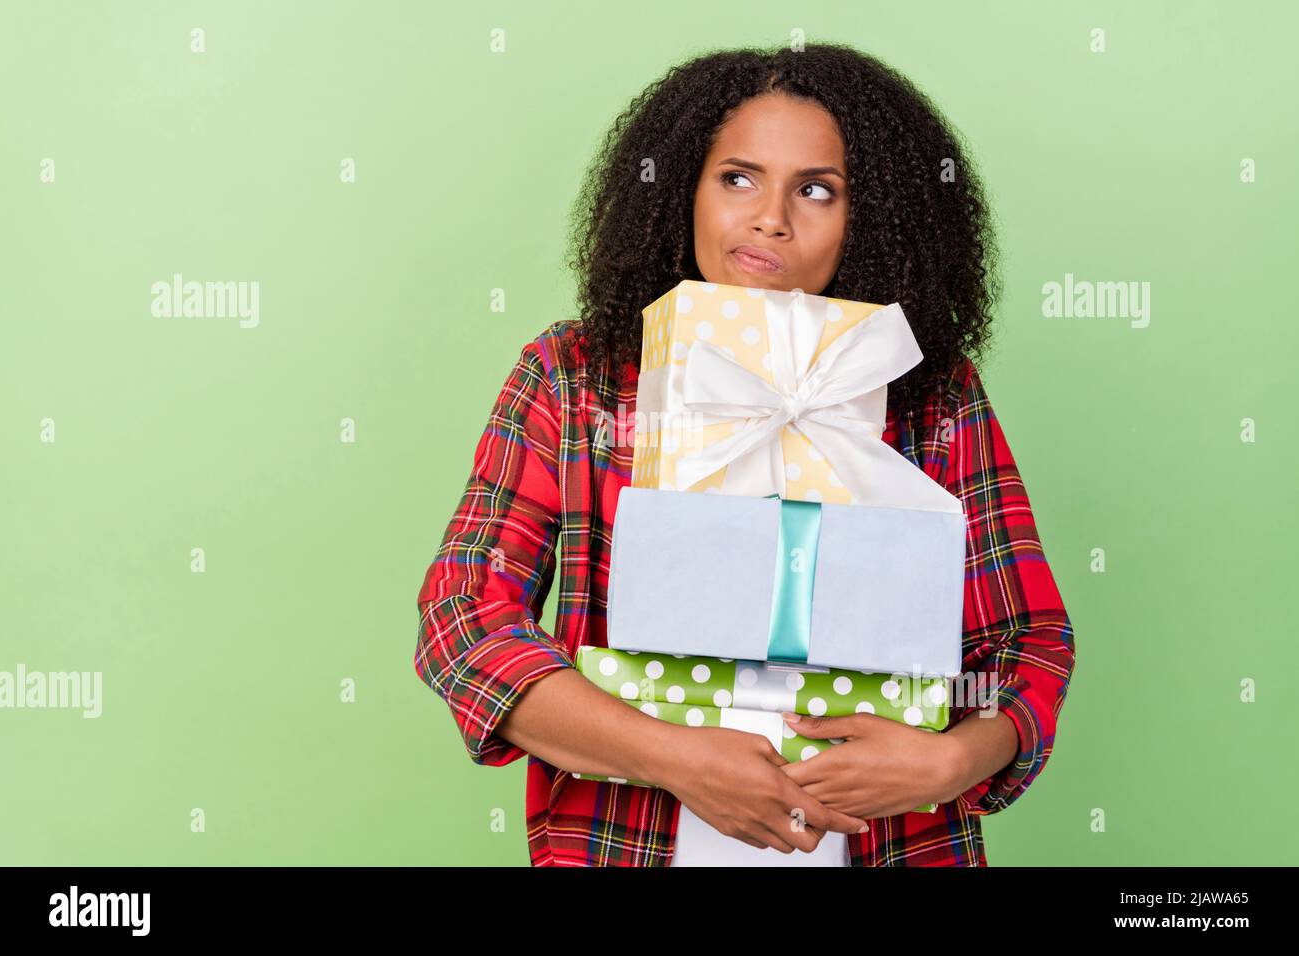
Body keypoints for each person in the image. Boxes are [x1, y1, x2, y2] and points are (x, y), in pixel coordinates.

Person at [414, 42, 1076, 866]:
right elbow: (462, 620)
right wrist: (673, 756)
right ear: (682, 191)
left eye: (816, 190)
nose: (771, 217)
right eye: (737, 177)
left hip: (894, 846)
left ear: (870, 220)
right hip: (624, 841)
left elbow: (1028, 638)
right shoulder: (574, 377)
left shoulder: (927, 391)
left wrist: (955, 758)